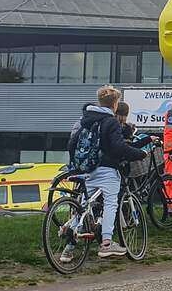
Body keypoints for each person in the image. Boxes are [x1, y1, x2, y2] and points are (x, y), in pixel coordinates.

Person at [61, 85, 148, 260]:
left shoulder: (87, 119)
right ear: (115, 104)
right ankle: (107, 243)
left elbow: (72, 143)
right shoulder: (110, 121)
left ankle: (69, 240)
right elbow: (118, 147)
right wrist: (139, 154)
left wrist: (78, 164)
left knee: (84, 206)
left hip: (87, 169)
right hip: (107, 170)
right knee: (110, 204)